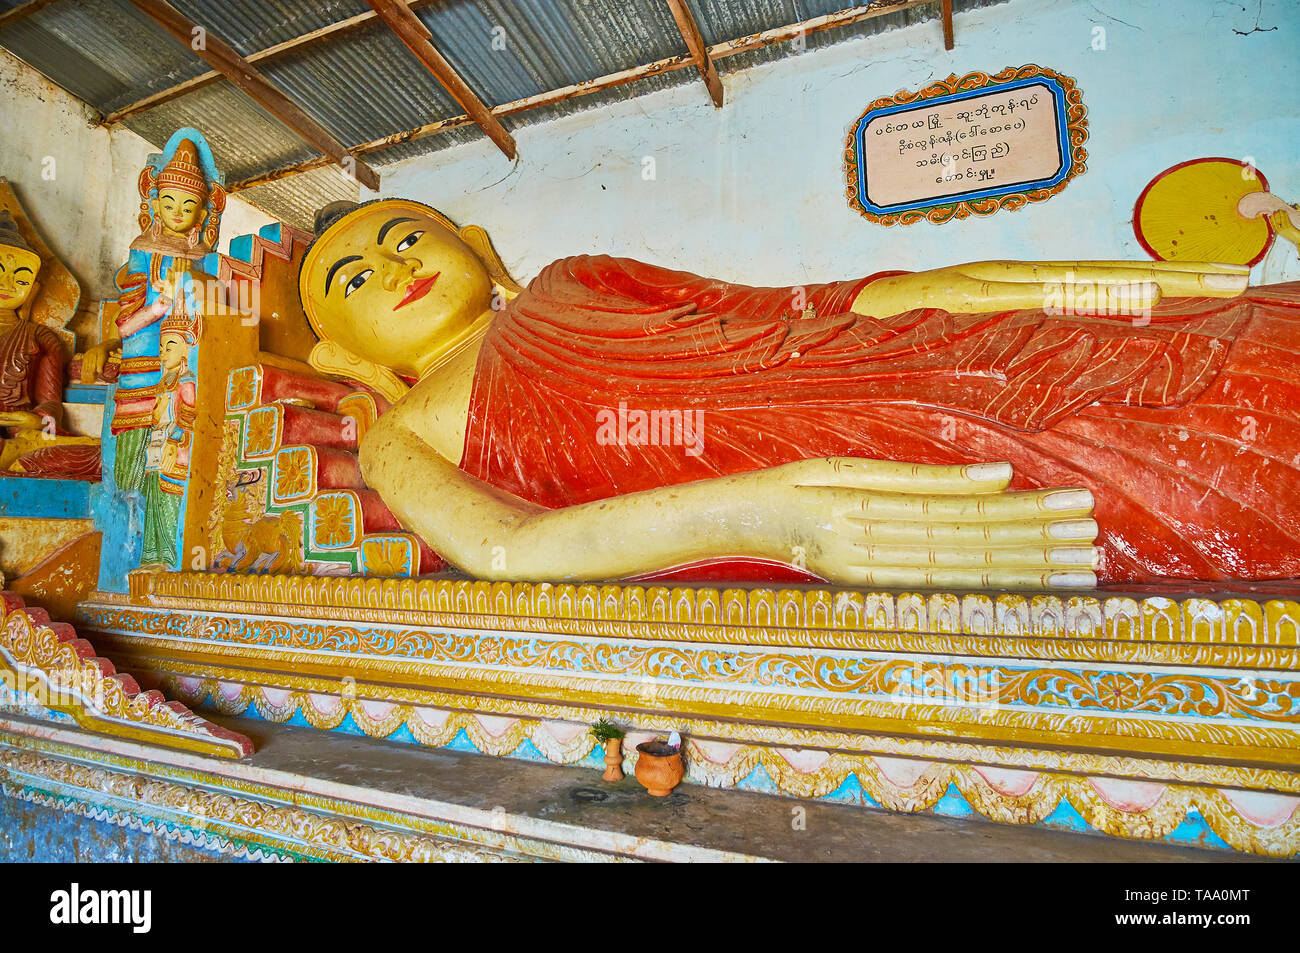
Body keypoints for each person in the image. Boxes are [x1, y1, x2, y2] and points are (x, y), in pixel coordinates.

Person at [296, 197, 1298, 588]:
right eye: (353, 280)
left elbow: (820, 305)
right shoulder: (399, 432)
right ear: (343, 349)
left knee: (1202, 352)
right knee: (1176, 481)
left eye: (403, 236)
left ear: (474, 247)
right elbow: (514, 549)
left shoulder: (571, 276)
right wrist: (775, 513)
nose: (390, 268)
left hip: (871, 366)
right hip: (833, 475)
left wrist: (1112, 286)